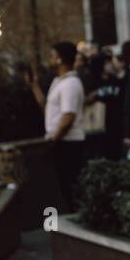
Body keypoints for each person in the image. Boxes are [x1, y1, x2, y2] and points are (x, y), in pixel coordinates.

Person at [31, 41, 86, 205]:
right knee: (64, 188)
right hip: (60, 142)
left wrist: (54, 140)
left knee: (71, 189)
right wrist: (34, 86)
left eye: (52, 56)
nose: (50, 59)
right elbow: (48, 108)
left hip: (68, 144)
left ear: (60, 59)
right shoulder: (59, 82)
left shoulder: (70, 84)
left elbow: (68, 117)